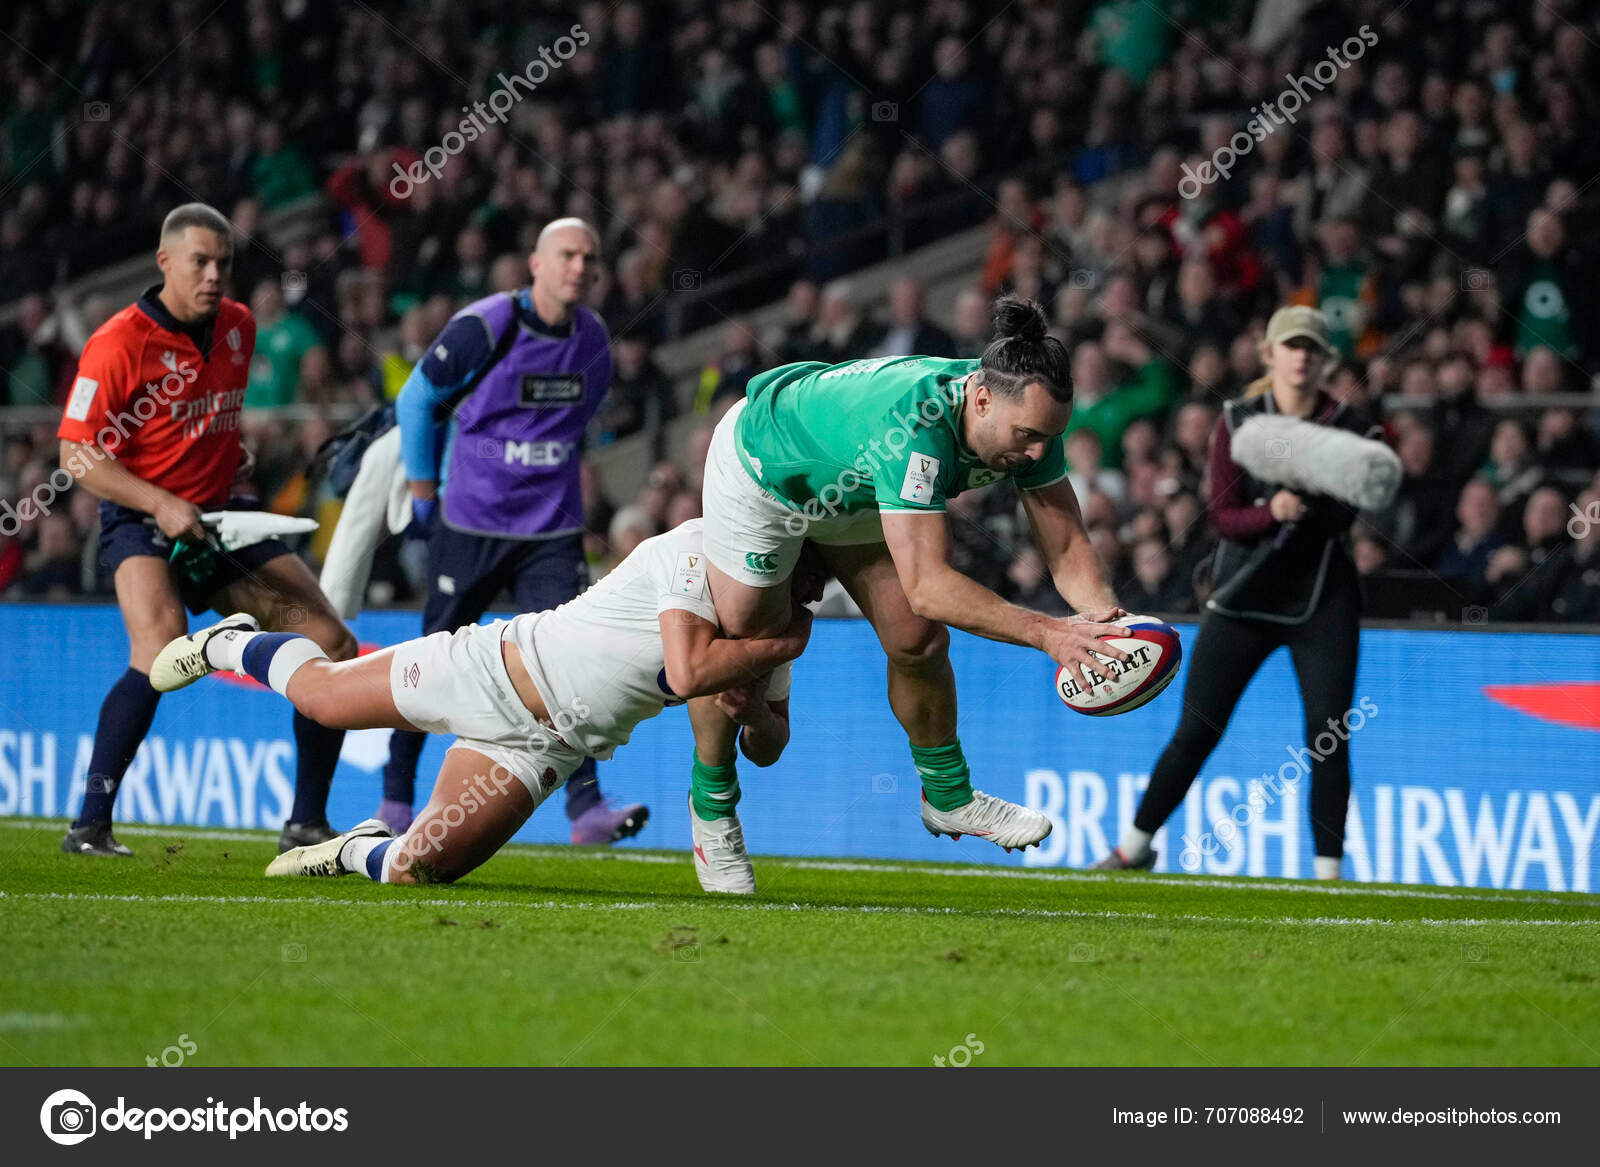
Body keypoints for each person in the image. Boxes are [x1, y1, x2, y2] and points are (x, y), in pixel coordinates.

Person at [147, 519, 818, 890]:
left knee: (418, 869)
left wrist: (754, 710)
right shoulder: (695, 550)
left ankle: (353, 849)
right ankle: (231, 644)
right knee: (323, 697)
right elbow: (689, 666)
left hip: (547, 745)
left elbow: (770, 744)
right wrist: (770, 652)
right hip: (489, 669)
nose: (811, 586)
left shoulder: (775, 625)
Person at [693, 295, 1129, 860]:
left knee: (916, 641)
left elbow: (1067, 542)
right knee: (741, 647)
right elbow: (929, 586)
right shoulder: (914, 426)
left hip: (852, 486)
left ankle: (948, 796)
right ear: (980, 397)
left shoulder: (1028, 421)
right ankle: (712, 810)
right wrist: (1050, 634)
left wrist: (1108, 625)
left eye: (1049, 437)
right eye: (1027, 436)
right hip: (762, 471)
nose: (1040, 451)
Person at [56, 203, 356, 857]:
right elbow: (76, 455)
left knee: (332, 641)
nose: (215, 274)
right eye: (201, 261)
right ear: (165, 262)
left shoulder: (240, 328)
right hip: (142, 520)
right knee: (161, 645)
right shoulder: (116, 342)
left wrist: (232, 458)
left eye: (224, 262)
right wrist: (159, 502)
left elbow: (207, 419)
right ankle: (90, 824)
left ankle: (306, 822)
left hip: (219, 519)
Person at [383, 217, 648, 845]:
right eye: (566, 254)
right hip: (470, 524)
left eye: (589, 256)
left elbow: (577, 417)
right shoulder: (486, 325)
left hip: (549, 532)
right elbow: (418, 400)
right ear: (536, 263)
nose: (578, 266)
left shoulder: (592, 337)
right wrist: (424, 491)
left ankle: (585, 810)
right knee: (428, 663)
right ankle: (395, 800)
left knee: (573, 664)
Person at [1096, 307, 1366, 880]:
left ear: (1324, 362)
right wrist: (1275, 510)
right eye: (1291, 347)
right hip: (1245, 590)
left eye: (1313, 349)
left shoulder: (1346, 422)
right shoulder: (1238, 419)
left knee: (1327, 735)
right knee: (1197, 729)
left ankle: (1328, 875)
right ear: (1269, 355)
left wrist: (1317, 494)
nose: (1302, 357)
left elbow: (1353, 508)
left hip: (1322, 594)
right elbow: (1224, 516)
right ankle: (1133, 848)